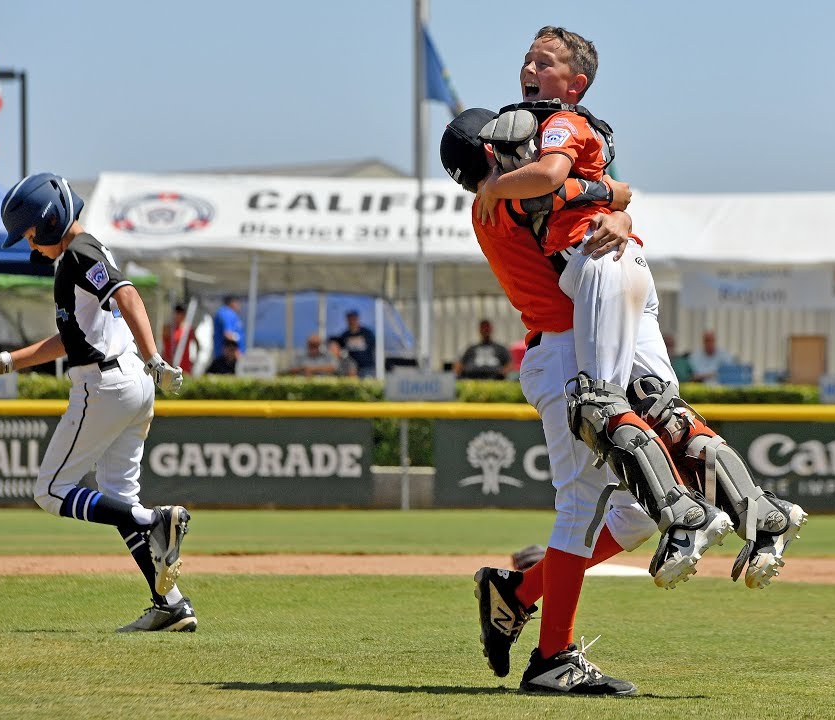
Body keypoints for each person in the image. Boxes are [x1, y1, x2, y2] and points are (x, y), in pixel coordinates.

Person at [442, 27, 805, 694]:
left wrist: (611, 200)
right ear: (494, 152)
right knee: (583, 502)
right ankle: (551, 654)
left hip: (582, 333)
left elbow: (586, 191)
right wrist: (611, 200)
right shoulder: (504, 198)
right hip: (561, 352)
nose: (525, 87)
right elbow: (567, 187)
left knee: (631, 508)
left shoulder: (501, 192)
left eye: (539, 62)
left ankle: (524, 589)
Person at [0, 172, 196, 633]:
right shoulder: (80, 253)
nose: (31, 247)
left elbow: (128, 295)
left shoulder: (79, 252)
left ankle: (154, 521)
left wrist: (155, 355)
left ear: (50, 221)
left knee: (49, 491)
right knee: (116, 498)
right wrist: (9, 361)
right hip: (128, 382)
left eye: (31, 235)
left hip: (105, 385)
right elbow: (72, 337)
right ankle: (170, 604)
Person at [338, 309, 377, 378]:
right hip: (351, 369)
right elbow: (342, 350)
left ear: (357, 319)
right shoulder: (345, 335)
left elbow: (373, 346)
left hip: (367, 367)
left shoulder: (367, 333)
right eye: (350, 319)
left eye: (354, 319)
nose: (352, 321)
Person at [162, 303, 196, 374]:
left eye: (180, 313)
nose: (178, 316)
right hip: (170, 366)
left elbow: (196, 344)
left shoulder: (188, 329)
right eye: (177, 313)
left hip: (185, 366)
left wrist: (194, 360)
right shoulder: (168, 329)